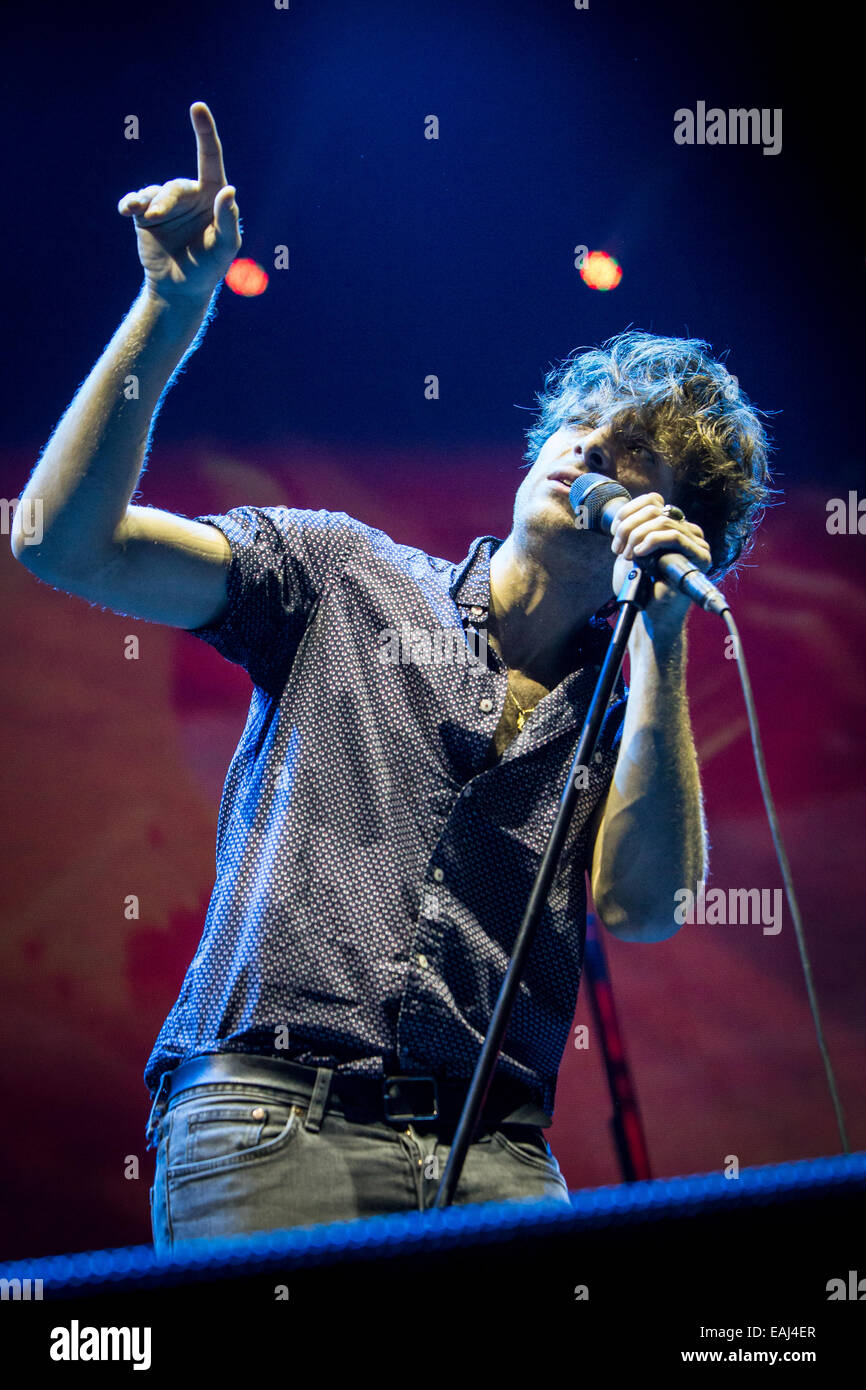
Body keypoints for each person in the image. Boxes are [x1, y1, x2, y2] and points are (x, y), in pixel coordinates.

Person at [11, 103, 772, 1251]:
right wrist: (171, 308)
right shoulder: (341, 571)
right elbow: (63, 544)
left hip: (498, 1159)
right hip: (271, 1121)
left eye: (625, 452)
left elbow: (644, 907)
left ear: (663, 515)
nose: (583, 447)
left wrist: (660, 634)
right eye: (576, 423)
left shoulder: (625, 706)